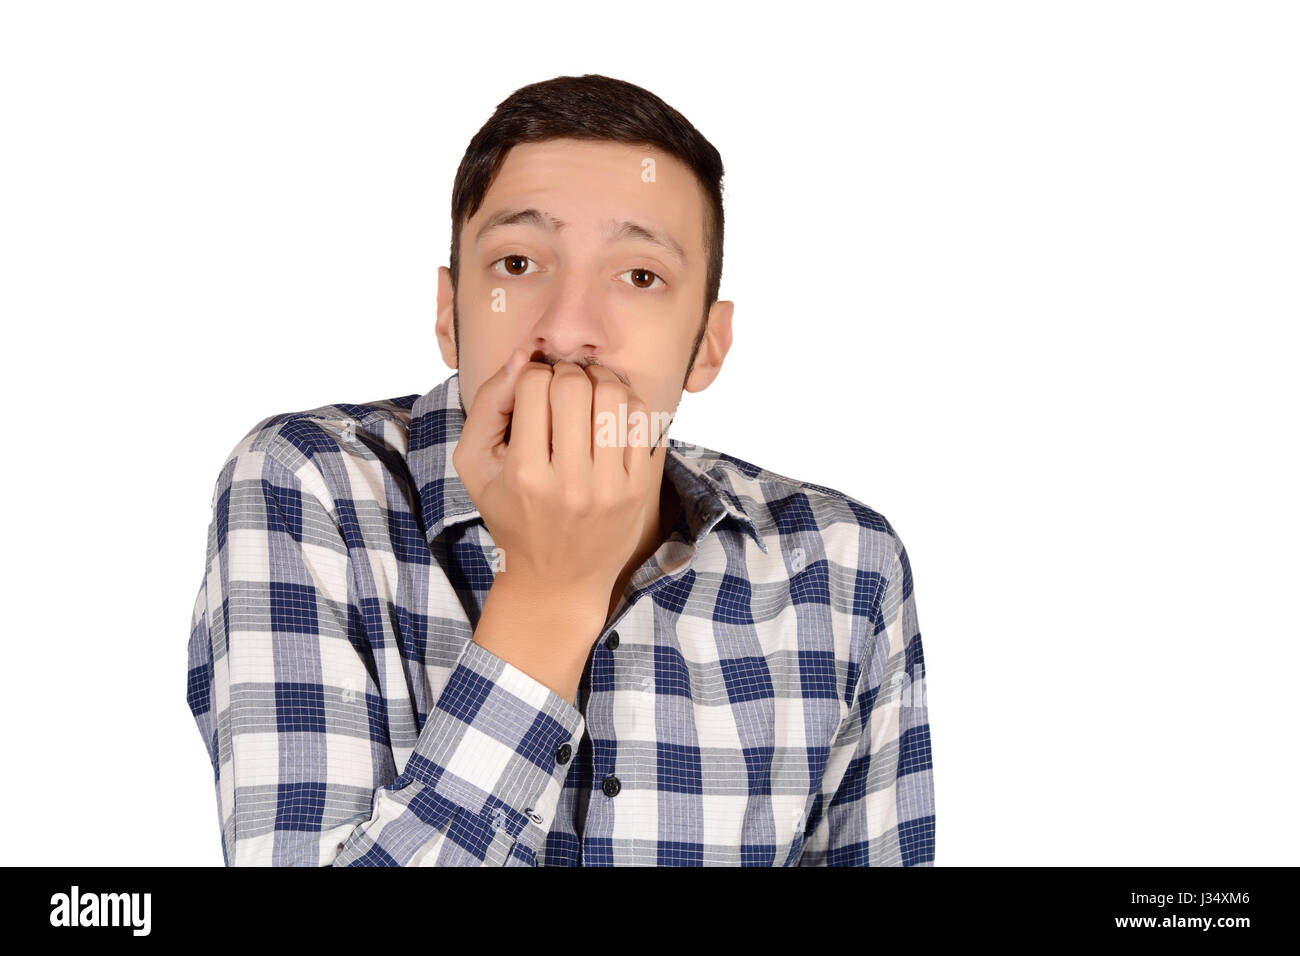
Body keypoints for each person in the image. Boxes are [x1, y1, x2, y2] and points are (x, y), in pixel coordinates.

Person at [185, 73, 935, 866]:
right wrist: (551, 593)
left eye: (640, 276)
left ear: (708, 346)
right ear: (450, 314)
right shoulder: (308, 488)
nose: (570, 329)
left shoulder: (845, 566)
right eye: (517, 263)